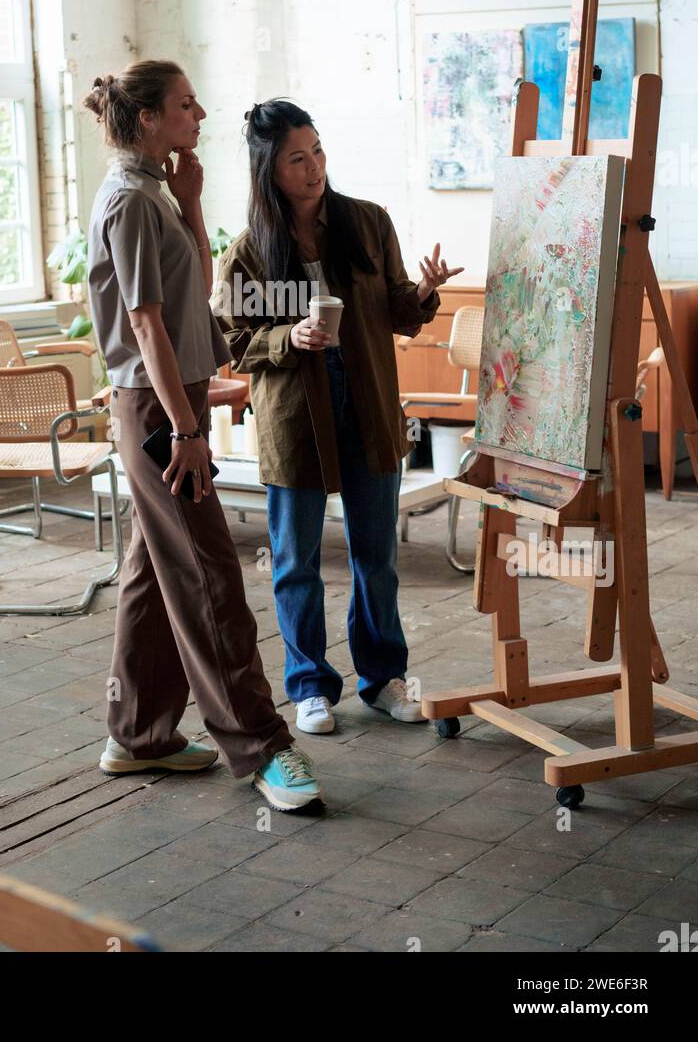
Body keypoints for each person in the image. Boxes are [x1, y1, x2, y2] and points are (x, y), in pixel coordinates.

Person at [85, 64, 321, 811]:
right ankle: (261, 746)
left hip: (169, 402)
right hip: (159, 411)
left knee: (154, 572)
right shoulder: (126, 201)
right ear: (149, 118)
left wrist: (190, 201)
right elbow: (146, 322)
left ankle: (138, 734)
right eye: (186, 104)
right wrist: (186, 427)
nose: (202, 112)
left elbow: (193, 288)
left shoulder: (154, 191)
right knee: (210, 575)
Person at [215, 99, 463, 736]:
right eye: (298, 158)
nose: (314, 167)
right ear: (269, 168)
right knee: (296, 560)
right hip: (295, 420)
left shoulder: (368, 223)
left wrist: (426, 294)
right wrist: (286, 339)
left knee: (374, 556)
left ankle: (382, 678)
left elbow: (398, 310)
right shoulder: (248, 252)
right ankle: (309, 686)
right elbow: (237, 345)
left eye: (318, 151)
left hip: (371, 409)